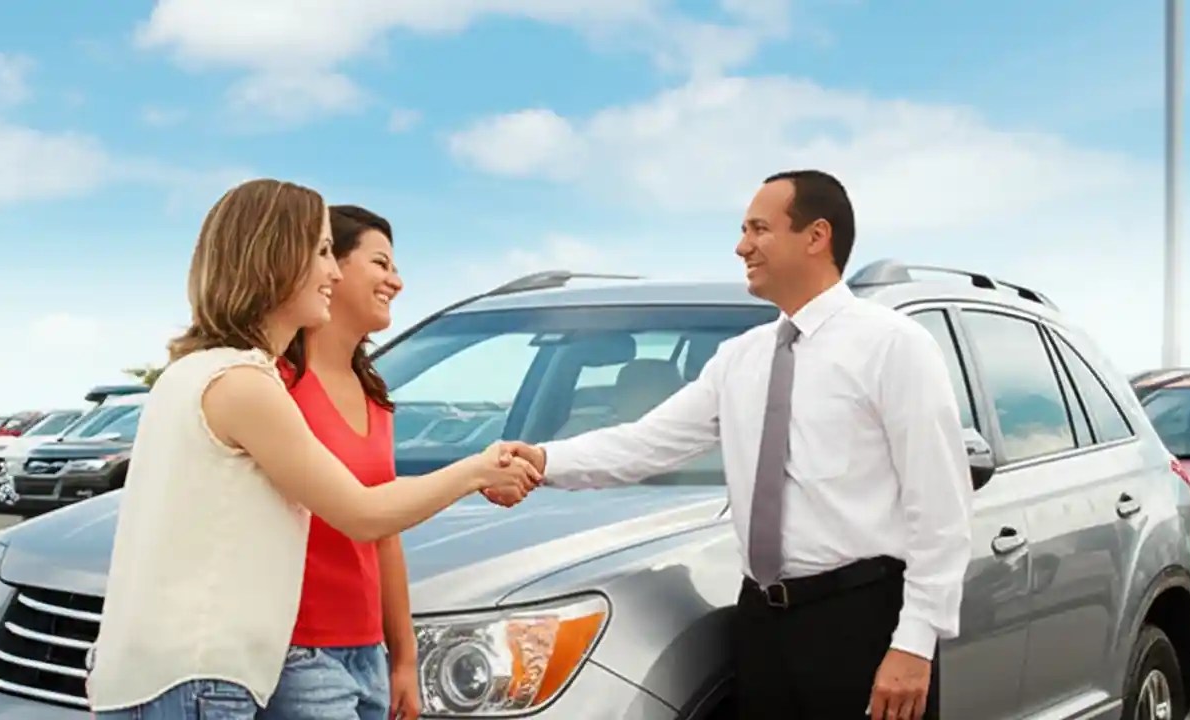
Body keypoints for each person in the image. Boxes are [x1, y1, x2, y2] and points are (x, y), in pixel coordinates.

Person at [493, 170, 972, 720]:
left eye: (759, 229)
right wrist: (544, 461)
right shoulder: (741, 358)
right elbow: (648, 443)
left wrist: (915, 641)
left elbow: (940, 504)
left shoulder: (894, 346)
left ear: (816, 237)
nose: (742, 246)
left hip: (861, 620)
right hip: (762, 624)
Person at [86, 179, 540, 720]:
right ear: (278, 258)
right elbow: (363, 514)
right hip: (203, 676)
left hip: (177, 676)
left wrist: (398, 653)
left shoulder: (197, 373)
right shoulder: (246, 385)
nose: (331, 271)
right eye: (323, 252)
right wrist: (478, 469)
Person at [261, 204, 419, 720]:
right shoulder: (274, 384)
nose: (395, 281)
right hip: (297, 654)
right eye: (381, 263)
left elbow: (386, 529)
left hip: (367, 653)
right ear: (330, 266)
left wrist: (404, 659)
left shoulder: (374, 395)